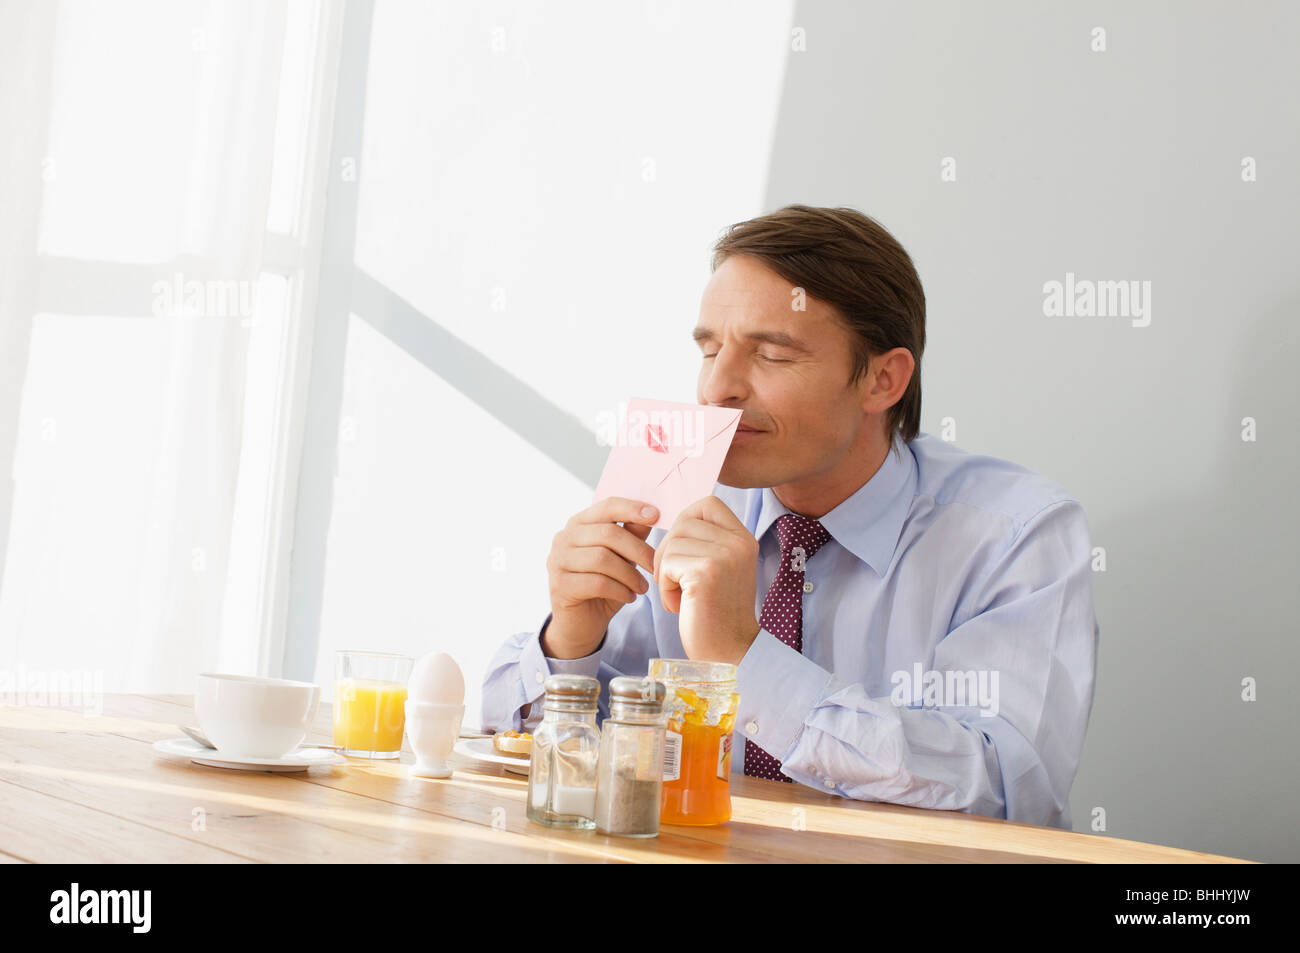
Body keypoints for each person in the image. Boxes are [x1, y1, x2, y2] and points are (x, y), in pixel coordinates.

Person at [482, 205, 1098, 829]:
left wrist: (745, 659)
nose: (716, 388)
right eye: (709, 350)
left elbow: (1008, 790)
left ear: (883, 380)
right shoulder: (677, 505)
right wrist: (570, 643)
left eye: (771, 354)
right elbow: (525, 750)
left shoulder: (1017, 535)